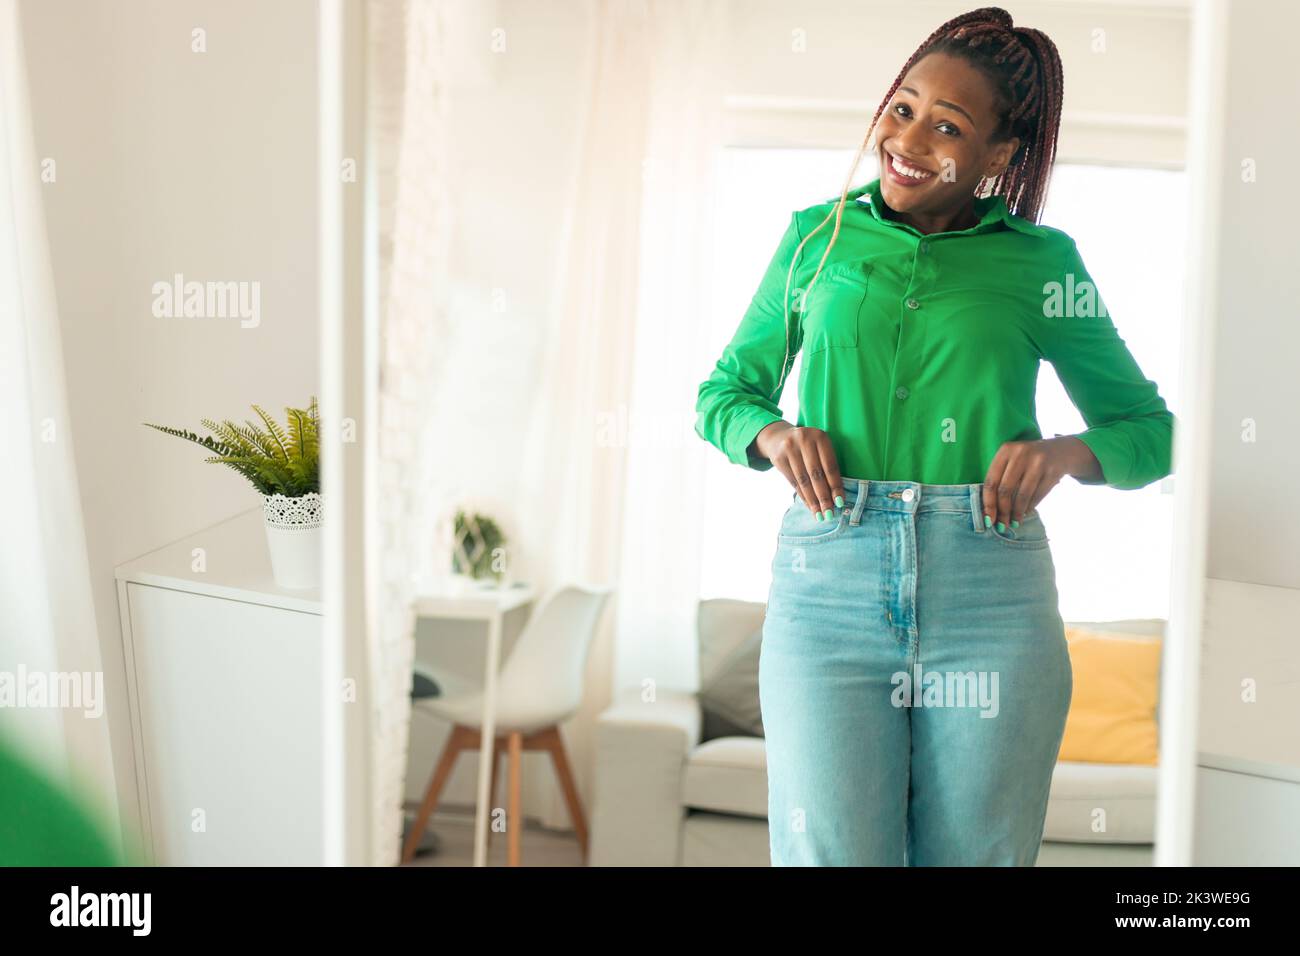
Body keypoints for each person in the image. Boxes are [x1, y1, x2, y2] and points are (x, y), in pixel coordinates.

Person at [694, 6, 1174, 865]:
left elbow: (1151, 431)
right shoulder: (817, 237)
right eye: (903, 106)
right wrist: (770, 435)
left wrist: (1064, 453)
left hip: (991, 592)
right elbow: (723, 394)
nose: (909, 137)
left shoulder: (1042, 264)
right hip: (826, 587)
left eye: (947, 126)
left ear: (997, 157)